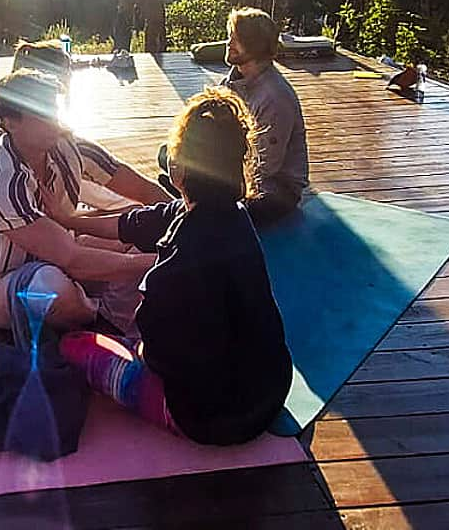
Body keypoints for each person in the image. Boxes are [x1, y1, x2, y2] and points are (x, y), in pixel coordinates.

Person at [54, 88, 293, 445]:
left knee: (74, 345)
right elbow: (133, 222)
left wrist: (136, 345)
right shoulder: (231, 216)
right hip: (267, 392)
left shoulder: (176, 265)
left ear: (179, 169)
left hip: (204, 416)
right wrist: (68, 220)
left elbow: (156, 355)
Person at [0, 70, 170, 334]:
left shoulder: (69, 148)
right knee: (51, 288)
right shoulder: (0, 182)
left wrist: (190, 223)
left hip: (66, 254)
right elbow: (69, 257)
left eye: (52, 108)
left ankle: (115, 320)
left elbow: (144, 190)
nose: (53, 120)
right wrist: (169, 259)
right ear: (10, 124)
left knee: (145, 222)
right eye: (40, 112)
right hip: (6, 283)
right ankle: (101, 317)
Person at [160, 8, 309, 225]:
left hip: (273, 189)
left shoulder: (275, 97)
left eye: (236, 39)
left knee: (225, 209)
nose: (229, 43)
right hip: (232, 167)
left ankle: (194, 203)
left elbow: (265, 167)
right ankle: (195, 200)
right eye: (230, 36)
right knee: (168, 153)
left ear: (256, 46)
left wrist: (214, 179)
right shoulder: (234, 81)